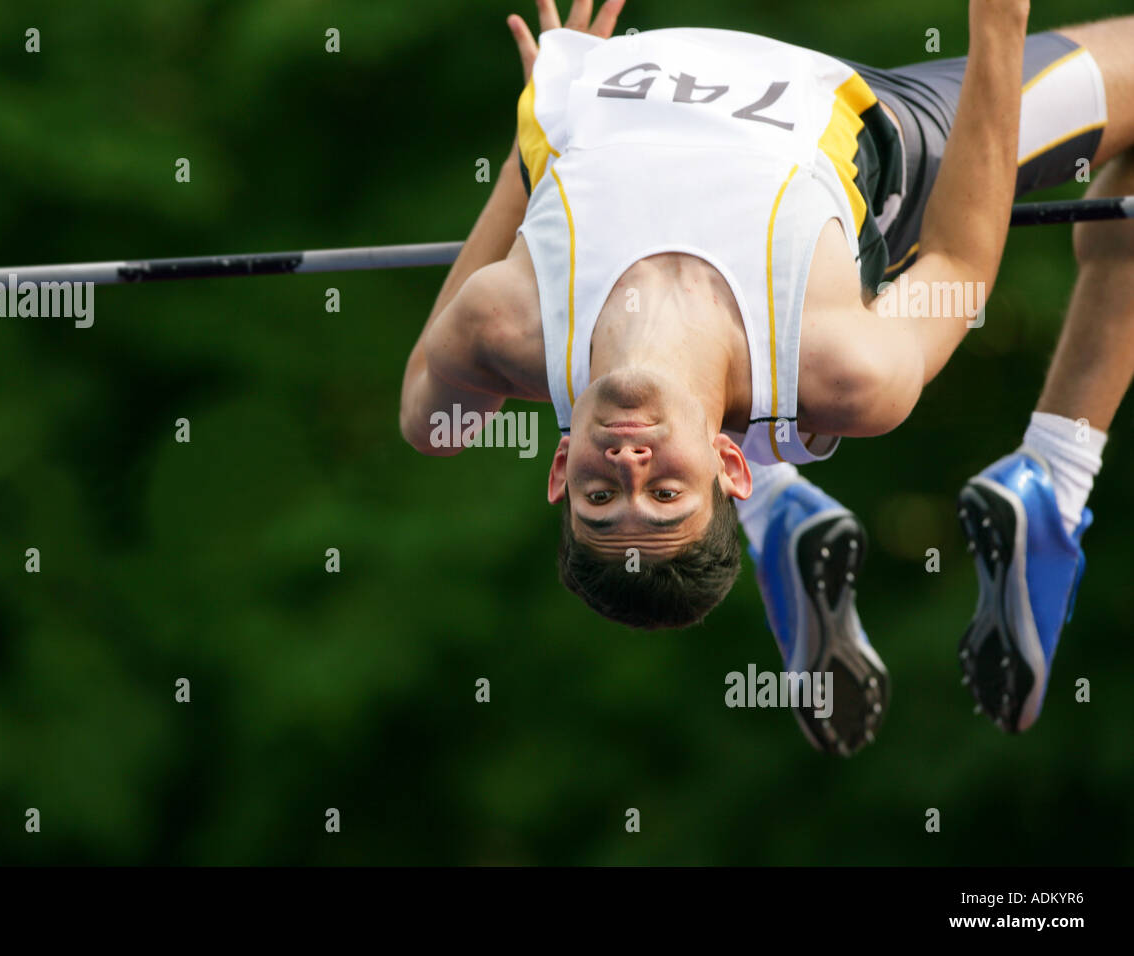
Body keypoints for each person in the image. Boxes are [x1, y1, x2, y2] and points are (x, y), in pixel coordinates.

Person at [399, 0, 1132, 753]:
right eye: (664, 494)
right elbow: (953, 266)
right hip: (879, 121)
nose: (627, 465)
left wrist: (540, 127)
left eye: (599, 496)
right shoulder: (844, 367)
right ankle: (1056, 478)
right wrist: (998, 27)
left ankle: (776, 506)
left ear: (559, 467)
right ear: (724, 461)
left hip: (617, 81)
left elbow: (423, 414)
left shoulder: (505, 322)